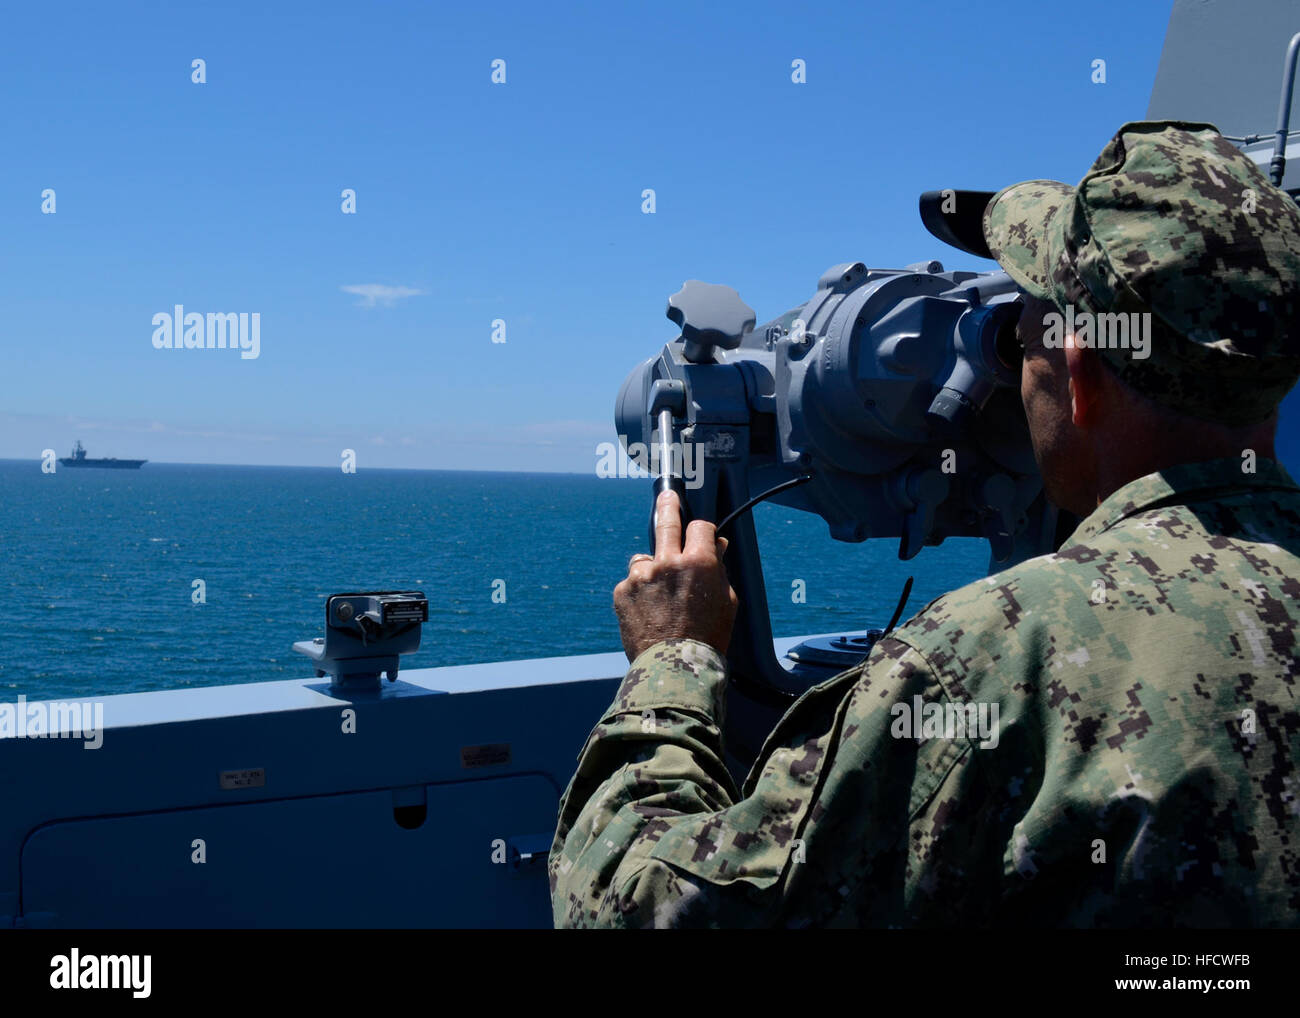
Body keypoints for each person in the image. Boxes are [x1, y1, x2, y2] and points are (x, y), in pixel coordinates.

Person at [549, 121, 1300, 927]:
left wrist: (671, 661)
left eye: (1024, 334)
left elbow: (642, 909)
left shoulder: (989, 661)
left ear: (1078, 376)